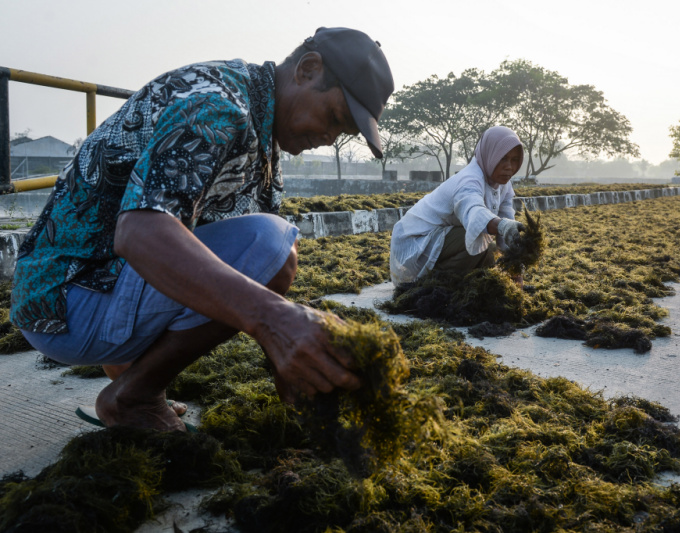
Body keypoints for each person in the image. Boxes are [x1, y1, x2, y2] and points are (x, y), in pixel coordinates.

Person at [10, 27, 394, 432]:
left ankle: (129, 371)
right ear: (308, 70)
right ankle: (133, 396)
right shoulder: (217, 105)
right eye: (334, 117)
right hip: (67, 300)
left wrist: (288, 358)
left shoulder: (259, 131)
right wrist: (275, 320)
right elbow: (139, 232)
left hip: (84, 293)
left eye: (343, 132)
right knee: (273, 246)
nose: (329, 138)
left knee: (264, 251)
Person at [390, 126, 524, 285]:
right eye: (503, 158)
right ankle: (431, 284)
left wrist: (516, 274)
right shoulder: (469, 180)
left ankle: (457, 282)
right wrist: (502, 226)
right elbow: (473, 211)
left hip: (445, 237)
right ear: (490, 155)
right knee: (480, 244)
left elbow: (507, 229)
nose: (509, 166)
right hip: (415, 242)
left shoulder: (503, 184)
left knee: (489, 256)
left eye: (514, 160)